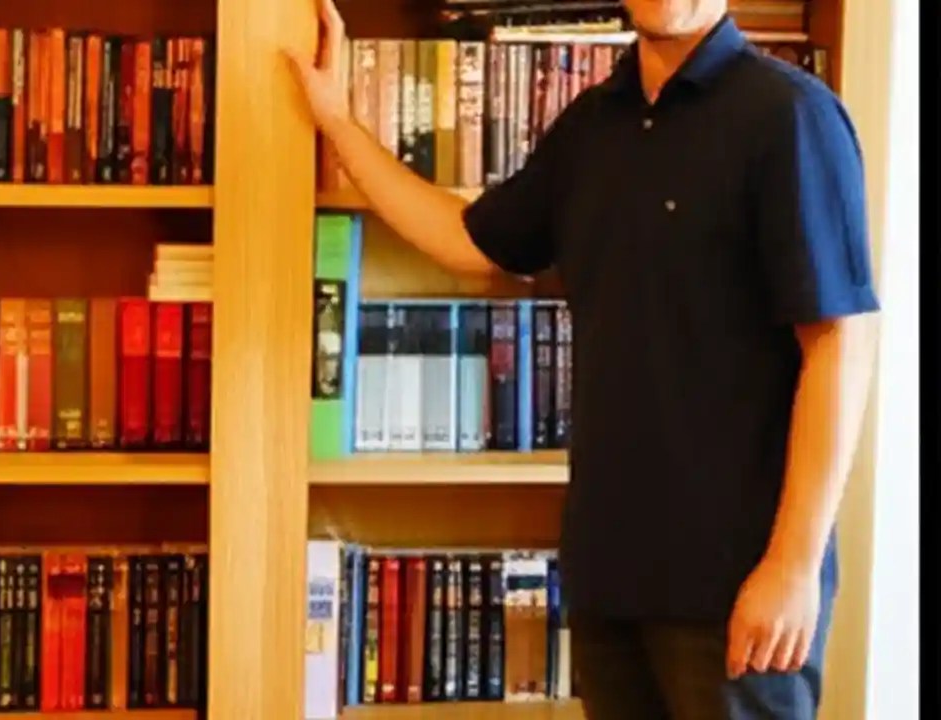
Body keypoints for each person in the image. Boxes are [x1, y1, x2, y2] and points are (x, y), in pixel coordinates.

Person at [287, 0, 880, 717]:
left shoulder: (790, 116)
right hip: (607, 582)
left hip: (737, 592)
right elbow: (468, 242)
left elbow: (838, 343)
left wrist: (793, 566)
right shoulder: (590, 128)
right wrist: (337, 122)